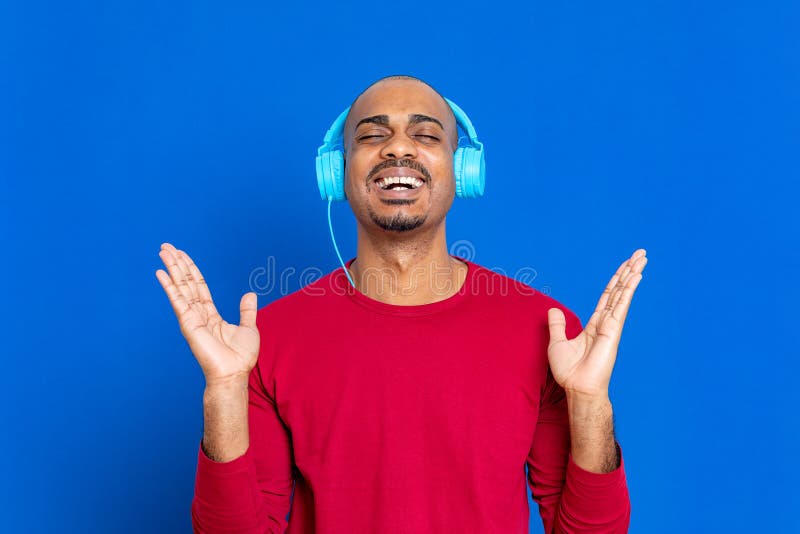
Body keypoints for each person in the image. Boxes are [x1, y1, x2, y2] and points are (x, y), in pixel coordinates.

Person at [156, 75, 647, 533]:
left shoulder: (547, 330)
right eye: (371, 136)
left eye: (426, 136)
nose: (397, 148)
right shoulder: (267, 339)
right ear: (336, 173)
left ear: (464, 170)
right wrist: (223, 390)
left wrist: (590, 402)